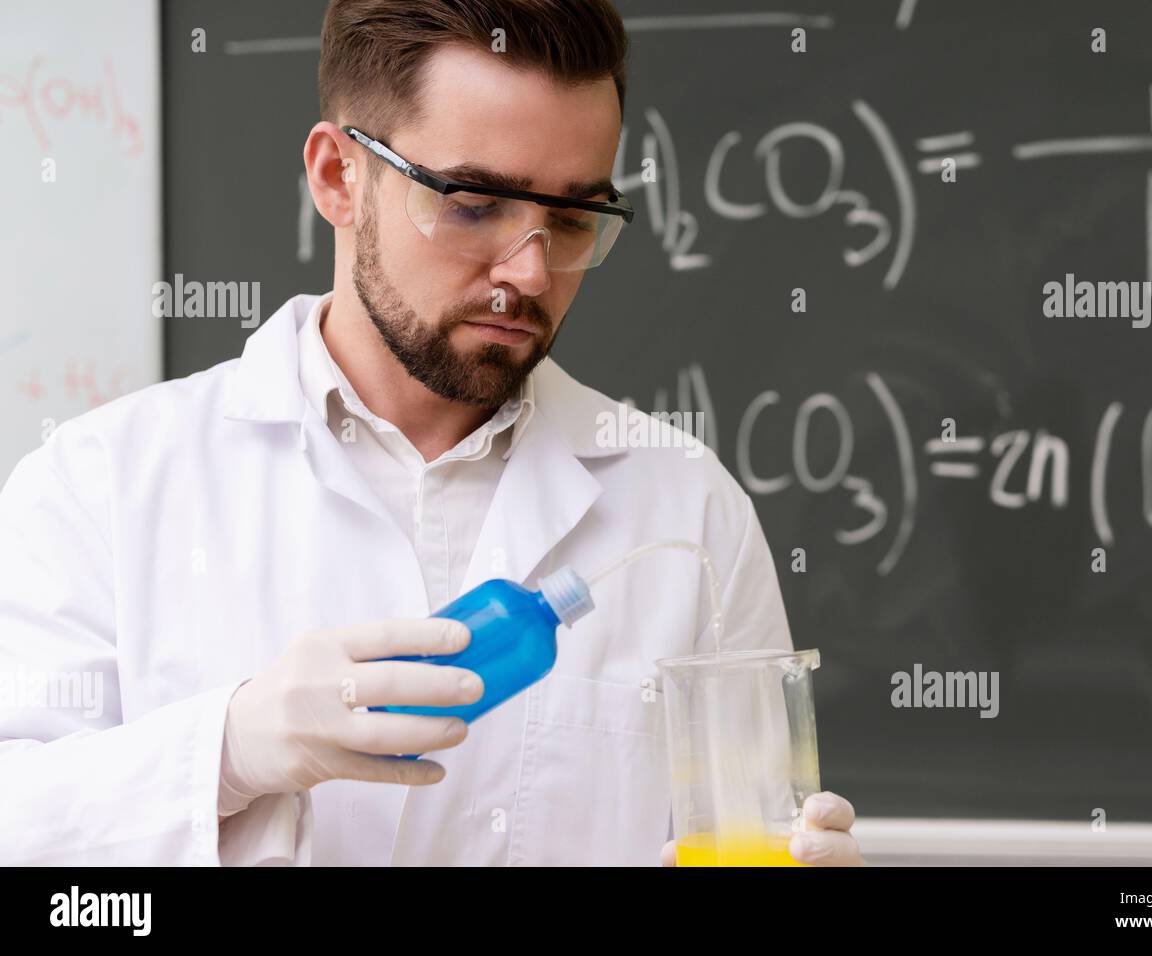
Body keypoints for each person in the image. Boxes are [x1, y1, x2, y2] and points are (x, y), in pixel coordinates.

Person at [0, 0, 862, 866]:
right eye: (473, 202)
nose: (527, 272)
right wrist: (226, 750)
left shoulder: (688, 505)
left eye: (570, 220)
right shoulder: (98, 485)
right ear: (339, 176)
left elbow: (748, 822)